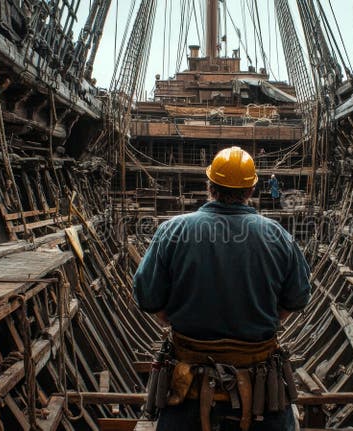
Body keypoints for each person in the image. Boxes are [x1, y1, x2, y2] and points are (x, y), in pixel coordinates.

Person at [133, 146, 311, 431]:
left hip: (187, 387)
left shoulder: (172, 231)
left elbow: (147, 295)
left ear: (210, 186)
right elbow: (298, 296)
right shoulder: (278, 235)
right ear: (251, 190)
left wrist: (169, 320)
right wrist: (273, 320)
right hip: (260, 394)